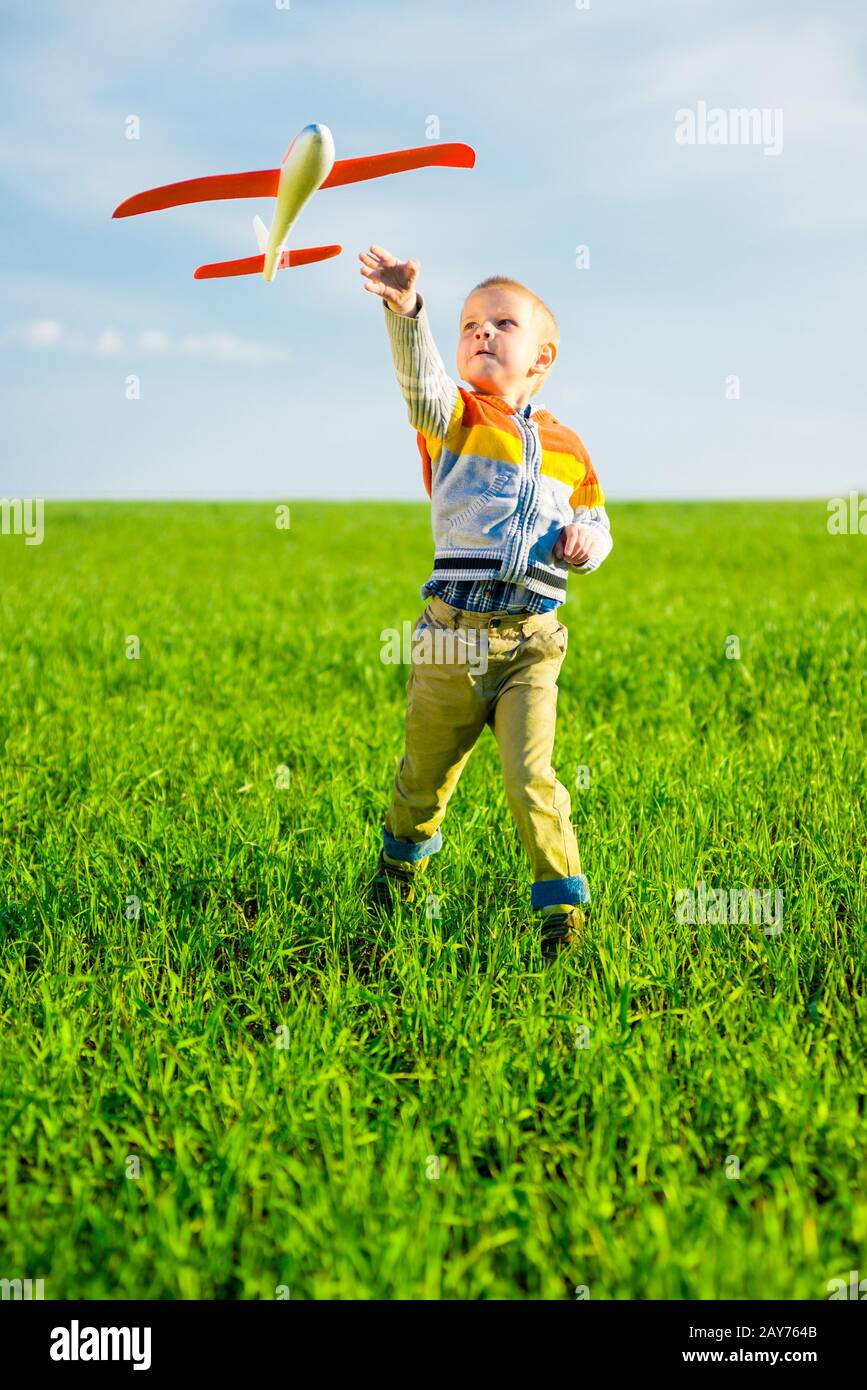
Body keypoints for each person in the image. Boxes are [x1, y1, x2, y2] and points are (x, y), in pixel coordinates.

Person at [359, 244, 613, 959]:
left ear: (541, 356)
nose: (480, 332)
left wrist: (583, 544)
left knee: (532, 779)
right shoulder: (454, 417)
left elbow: (597, 523)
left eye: (501, 324)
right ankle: (397, 870)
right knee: (423, 778)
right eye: (470, 323)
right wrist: (407, 311)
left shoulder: (568, 445)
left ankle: (561, 914)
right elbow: (420, 382)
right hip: (450, 638)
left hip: (531, 642)